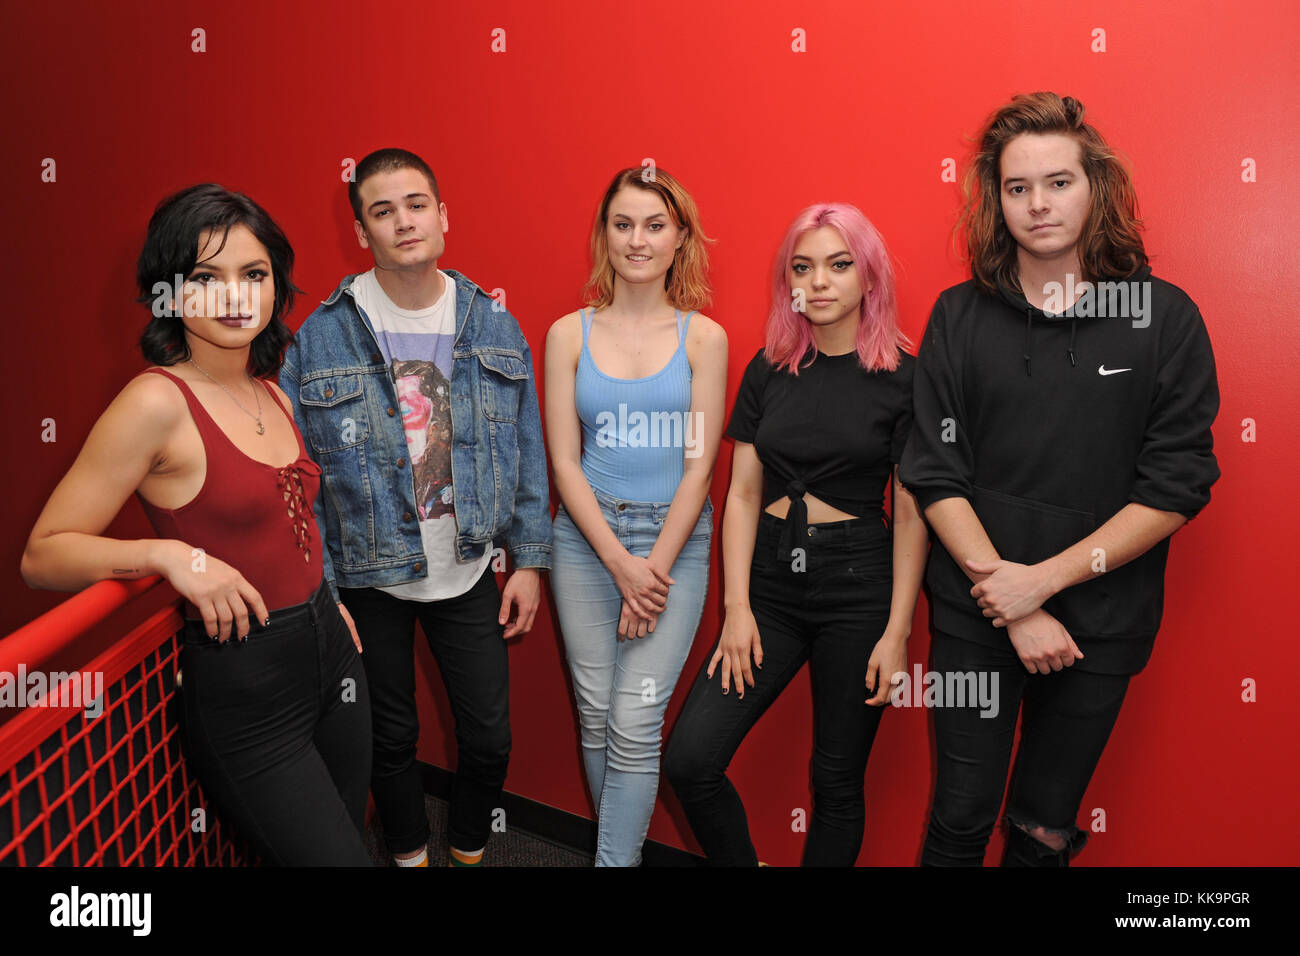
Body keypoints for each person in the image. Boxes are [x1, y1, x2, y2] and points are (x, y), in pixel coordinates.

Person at [900, 92, 1221, 866]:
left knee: (1044, 827)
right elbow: (935, 472)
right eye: (1017, 188)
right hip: (977, 612)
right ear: (995, 199)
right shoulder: (957, 317)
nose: (1038, 204)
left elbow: (1176, 483)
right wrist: (1010, 604)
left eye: (1058, 182)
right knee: (958, 817)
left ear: (1095, 187)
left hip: (1103, 620)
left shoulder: (1165, 317)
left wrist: (1041, 584)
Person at [21, 184, 373, 866]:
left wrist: (327, 599)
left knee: (353, 833)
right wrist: (168, 556)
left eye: (254, 275)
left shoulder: (271, 387)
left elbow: (292, 522)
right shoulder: (155, 400)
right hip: (246, 685)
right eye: (206, 278)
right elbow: (42, 555)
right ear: (169, 293)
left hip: (331, 654)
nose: (234, 296)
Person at [280, 148, 551, 868]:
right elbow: (294, 475)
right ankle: (407, 855)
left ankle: (466, 849)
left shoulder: (493, 323)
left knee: (489, 738)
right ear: (361, 232)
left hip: (466, 569)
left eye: (417, 204)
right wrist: (324, 589)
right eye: (382, 210)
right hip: (368, 580)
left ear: (443, 215)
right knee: (388, 738)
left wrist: (529, 562)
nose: (404, 221)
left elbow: (527, 448)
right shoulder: (320, 337)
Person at [664, 203, 926, 866]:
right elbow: (743, 494)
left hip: (858, 587)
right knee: (691, 760)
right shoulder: (768, 367)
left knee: (836, 781)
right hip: (772, 588)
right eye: (802, 267)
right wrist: (736, 607)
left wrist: (897, 632)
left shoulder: (904, 375)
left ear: (869, 277)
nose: (819, 281)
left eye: (839, 265)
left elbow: (913, 513)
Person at [544, 168, 727, 866]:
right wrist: (620, 565)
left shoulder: (703, 339)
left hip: (673, 543)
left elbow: (700, 467)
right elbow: (565, 462)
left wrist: (650, 569)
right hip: (588, 543)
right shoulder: (568, 333)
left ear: (680, 237)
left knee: (634, 720)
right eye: (623, 224)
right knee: (596, 716)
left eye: (655, 224)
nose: (638, 239)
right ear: (604, 235)